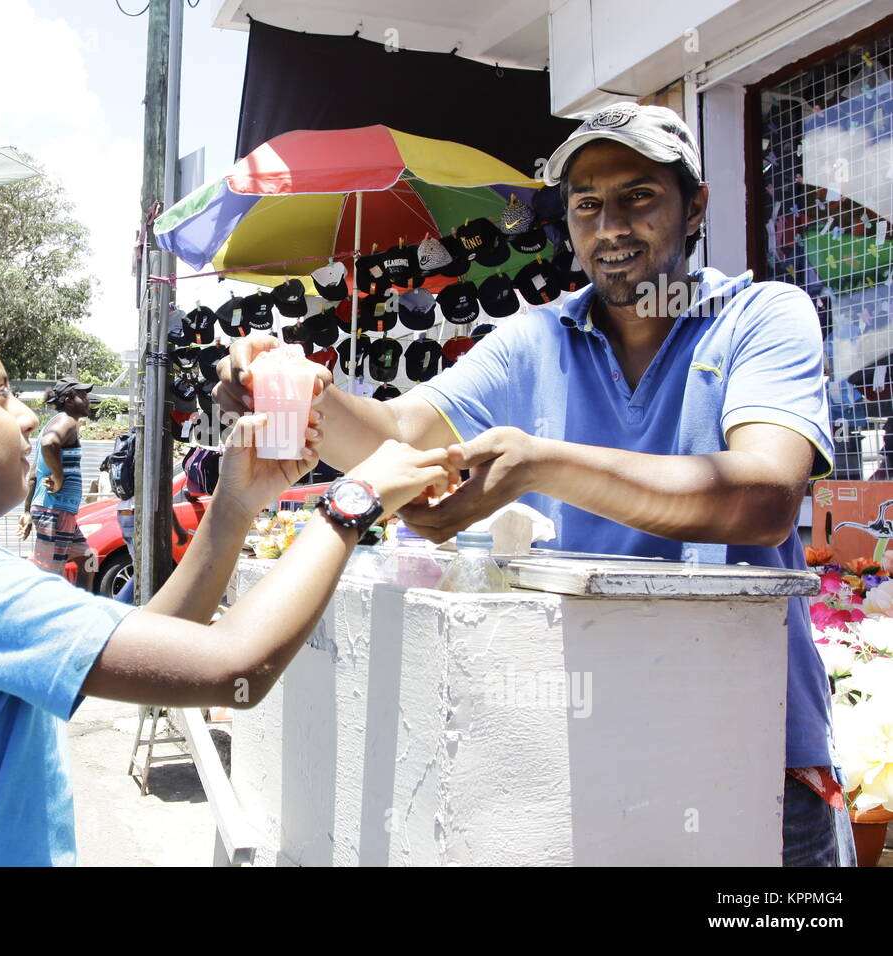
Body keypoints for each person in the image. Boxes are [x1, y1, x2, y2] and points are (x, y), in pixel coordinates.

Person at [214, 104, 854, 867]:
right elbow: (398, 433)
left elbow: (762, 500)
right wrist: (297, 387)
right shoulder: (536, 337)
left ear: (697, 208)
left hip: (757, 749)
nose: (610, 224)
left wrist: (543, 463)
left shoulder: (760, 316)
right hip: (584, 747)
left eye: (639, 196)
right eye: (587, 204)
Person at [0, 295, 454, 866]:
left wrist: (233, 508)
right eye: (1, 394)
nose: (28, 416)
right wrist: (354, 501)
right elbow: (233, 668)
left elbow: (160, 639)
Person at [21, 376, 95, 589]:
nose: (88, 400)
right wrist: (59, 476)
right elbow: (48, 443)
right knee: (48, 575)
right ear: (69, 400)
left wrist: (27, 511)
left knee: (88, 561)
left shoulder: (54, 423)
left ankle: (83, 609)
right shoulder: (67, 421)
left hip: (56, 510)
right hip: (55, 511)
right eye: (83, 396)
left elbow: (34, 473)